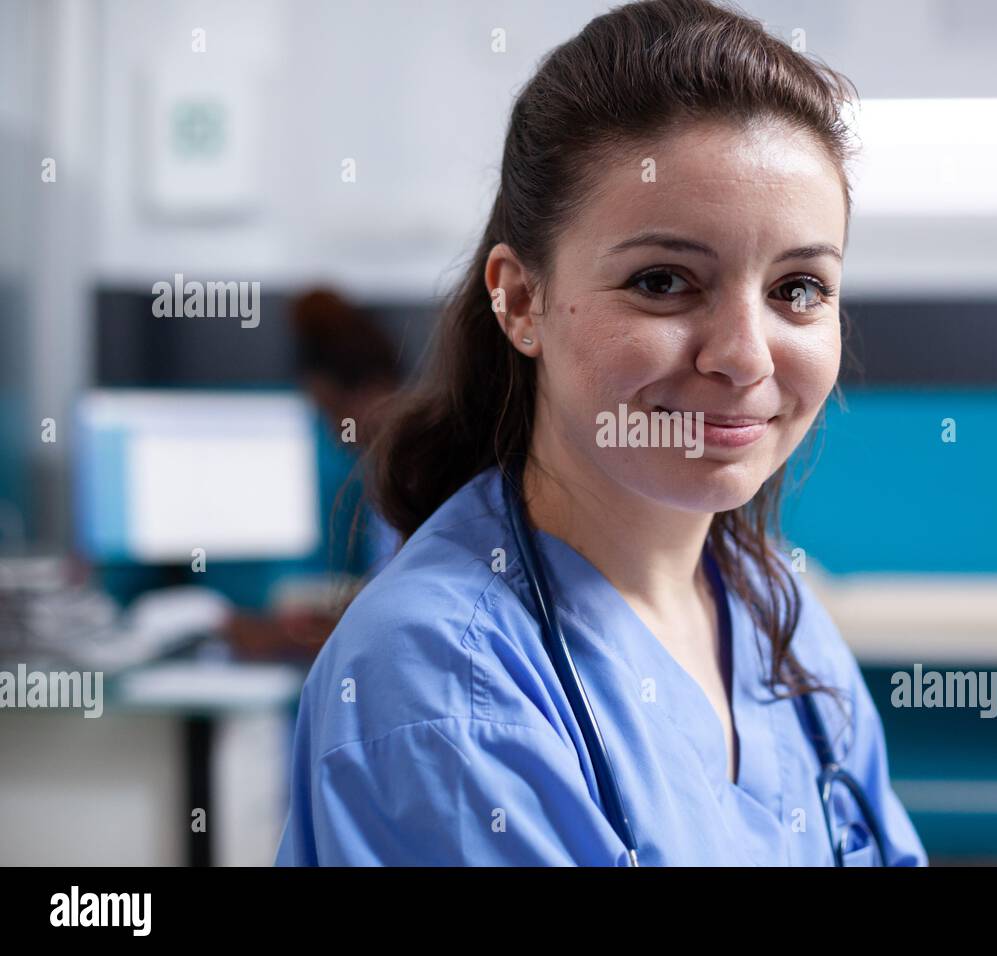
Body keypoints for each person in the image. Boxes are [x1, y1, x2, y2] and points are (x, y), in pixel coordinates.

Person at [276, 0, 925, 866]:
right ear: (520, 300)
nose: (744, 356)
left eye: (798, 288)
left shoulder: (777, 614)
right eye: (663, 281)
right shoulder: (440, 681)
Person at [223, 288, 402, 661]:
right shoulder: (379, 474)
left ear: (374, 394)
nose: (337, 435)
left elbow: (399, 622)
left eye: (331, 414)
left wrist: (276, 639)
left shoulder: (412, 480)